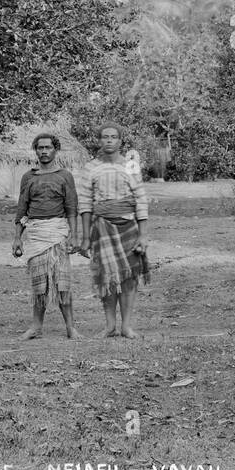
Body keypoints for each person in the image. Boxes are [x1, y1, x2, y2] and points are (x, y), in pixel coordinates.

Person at [80, 123, 150, 338]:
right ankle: (110, 325)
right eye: (104, 137)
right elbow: (85, 203)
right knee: (107, 277)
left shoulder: (130, 166)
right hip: (102, 227)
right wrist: (84, 238)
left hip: (128, 226)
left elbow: (140, 199)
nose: (109, 140)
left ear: (120, 141)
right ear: (99, 141)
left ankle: (126, 326)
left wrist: (143, 234)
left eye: (113, 137)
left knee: (129, 277)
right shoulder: (90, 167)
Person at [12, 133, 80, 340]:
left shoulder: (65, 176)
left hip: (58, 234)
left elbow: (71, 208)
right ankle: (36, 327)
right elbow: (22, 209)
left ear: (55, 150)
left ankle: (71, 328)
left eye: (47, 148)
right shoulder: (28, 177)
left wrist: (74, 236)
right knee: (39, 284)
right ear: (35, 150)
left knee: (63, 283)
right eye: (40, 148)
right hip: (36, 236)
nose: (43, 151)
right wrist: (17, 238)